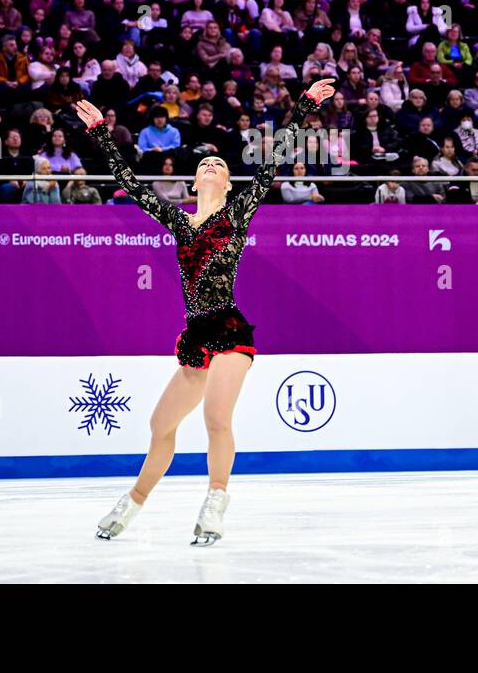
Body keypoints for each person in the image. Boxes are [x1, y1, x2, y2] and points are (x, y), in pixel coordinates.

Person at [80, 77, 337, 546]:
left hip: (230, 328)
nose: (214, 165)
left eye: (220, 163)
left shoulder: (236, 214)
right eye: (206, 163)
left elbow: (274, 158)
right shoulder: (179, 222)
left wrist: (302, 107)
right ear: (195, 180)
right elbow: (129, 184)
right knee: (160, 425)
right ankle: (133, 502)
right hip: (196, 335)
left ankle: (216, 501)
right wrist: (100, 131)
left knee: (216, 419)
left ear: (228, 180)